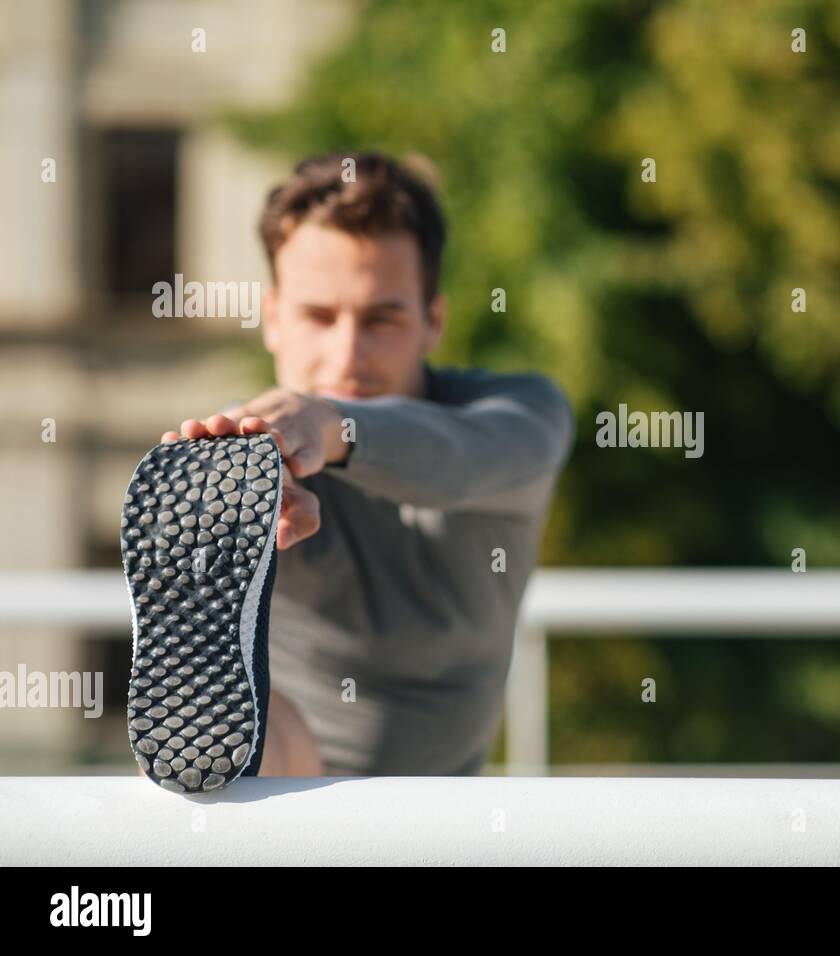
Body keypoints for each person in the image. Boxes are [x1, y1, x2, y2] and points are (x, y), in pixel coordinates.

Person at [154, 151, 574, 777]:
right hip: (283, 787)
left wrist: (329, 426)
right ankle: (196, 722)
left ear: (434, 321)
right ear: (272, 319)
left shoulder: (521, 415)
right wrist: (243, 494)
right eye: (319, 317)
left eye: (381, 318)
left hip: (448, 820)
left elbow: (460, 460)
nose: (348, 355)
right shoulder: (244, 450)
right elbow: (244, 456)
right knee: (245, 723)